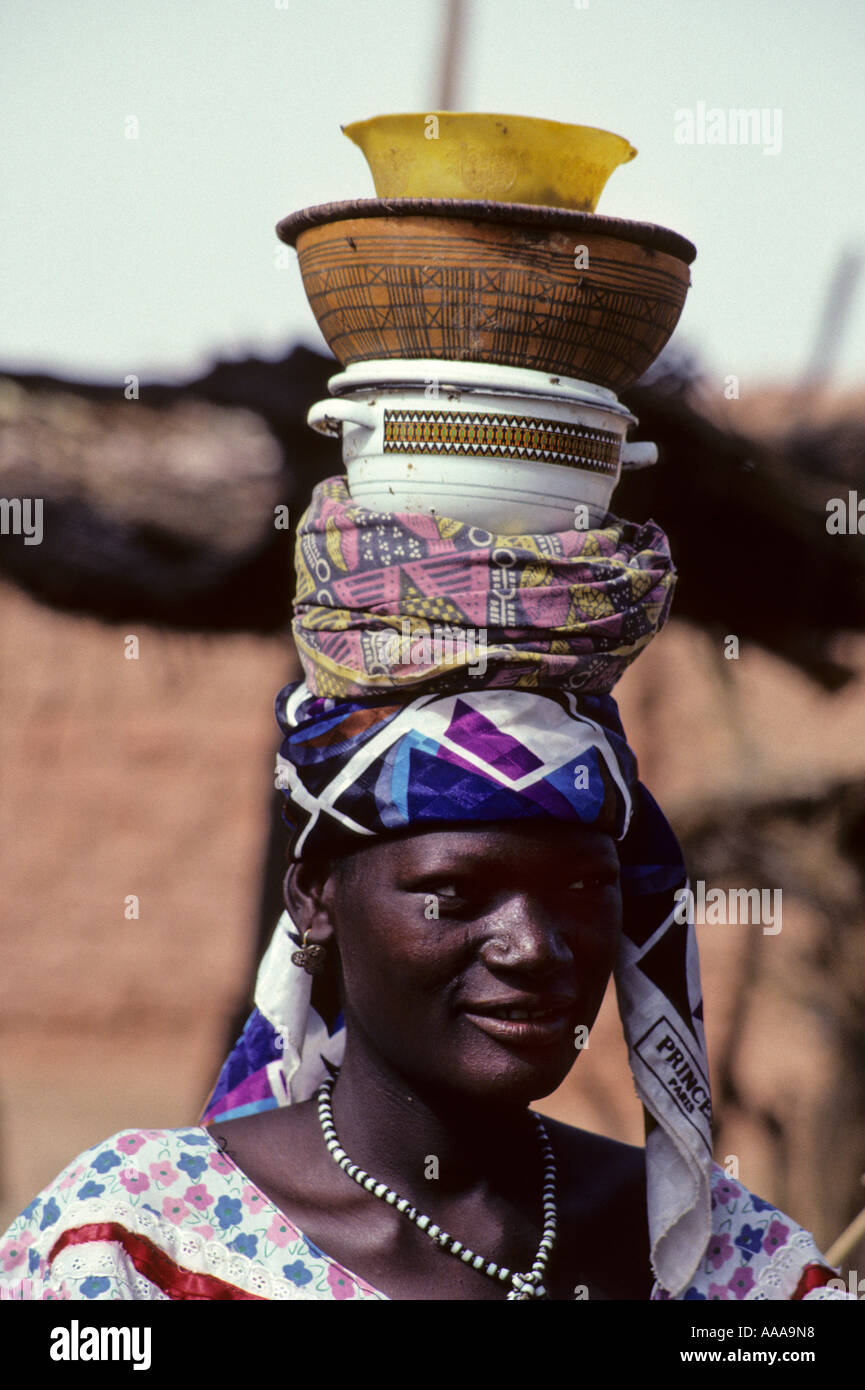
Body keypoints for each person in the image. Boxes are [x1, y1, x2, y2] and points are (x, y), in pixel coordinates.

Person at [0, 483, 852, 1301]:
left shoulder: (736, 1269)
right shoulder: (134, 1248)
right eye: (454, 892)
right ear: (315, 899)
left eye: (583, 886)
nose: (533, 946)